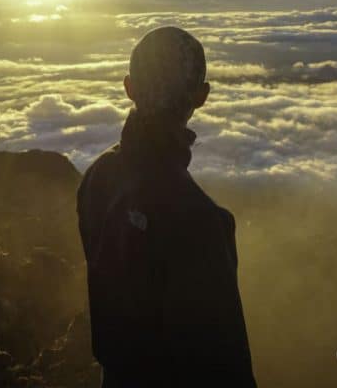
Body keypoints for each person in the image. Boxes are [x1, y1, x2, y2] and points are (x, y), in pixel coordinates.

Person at [77, 26, 256, 388]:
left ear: (129, 87)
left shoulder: (97, 180)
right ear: (202, 96)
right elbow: (226, 365)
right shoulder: (201, 222)